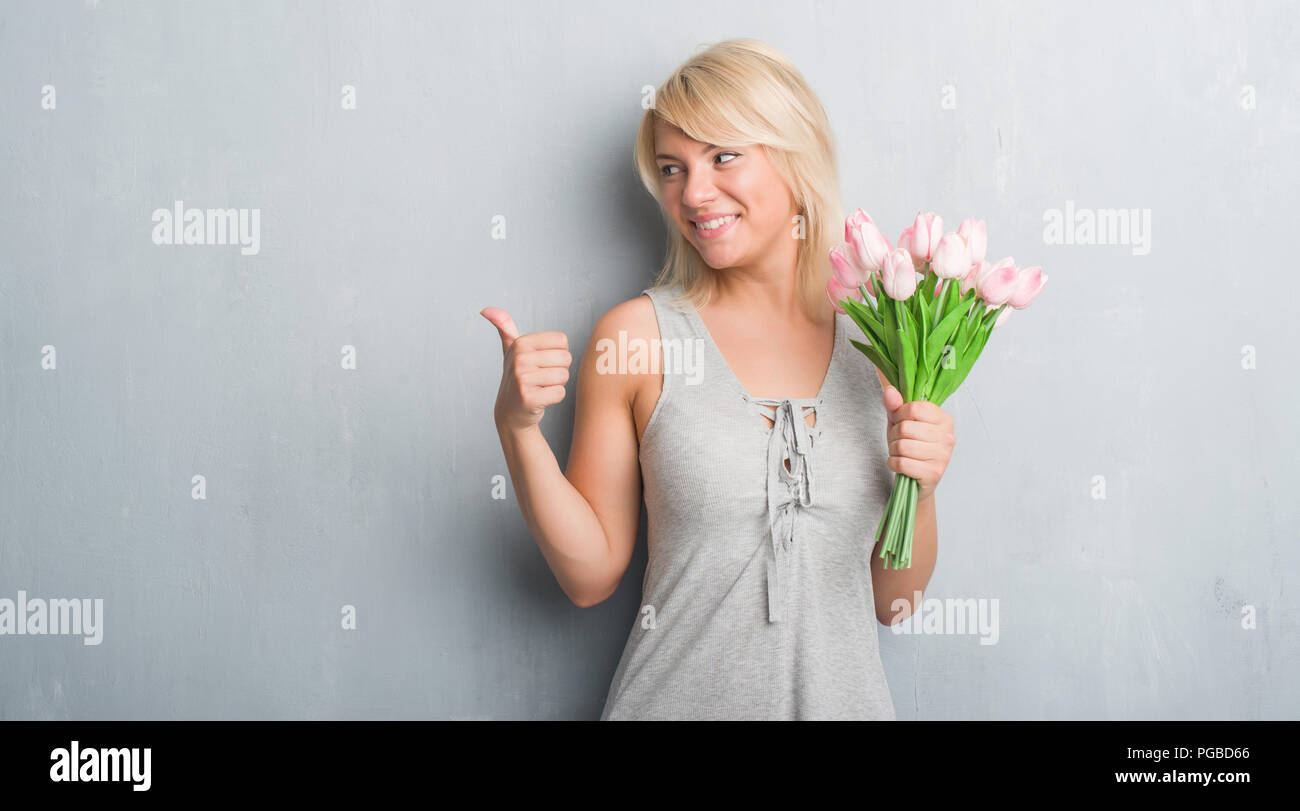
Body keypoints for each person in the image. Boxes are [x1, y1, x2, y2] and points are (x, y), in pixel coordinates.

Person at [481, 39, 954, 720]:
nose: (693, 193)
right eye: (672, 169)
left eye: (723, 156)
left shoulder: (885, 341)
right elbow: (589, 576)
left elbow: (893, 603)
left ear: (794, 156)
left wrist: (925, 487)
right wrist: (517, 429)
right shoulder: (636, 339)